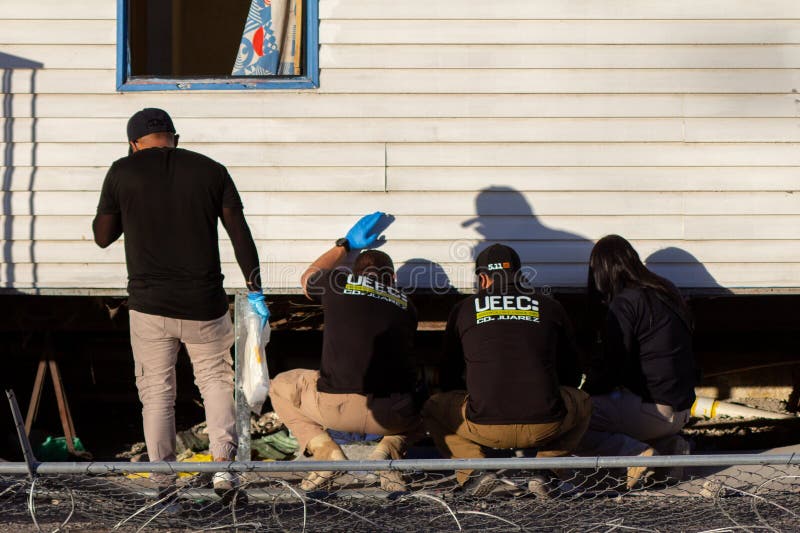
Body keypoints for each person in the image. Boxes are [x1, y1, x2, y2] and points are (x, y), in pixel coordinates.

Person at [92, 108, 269, 498]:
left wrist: (129, 204)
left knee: (157, 394)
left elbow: (102, 236)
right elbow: (239, 231)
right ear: (175, 137)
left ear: (133, 143)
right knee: (217, 384)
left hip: (149, 305)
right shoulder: (211, 170)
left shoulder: (122, 171)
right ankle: (225, 473)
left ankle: (164, 485)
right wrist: (256, 288)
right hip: (204, 303)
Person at [269, 212, 422, 492]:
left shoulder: (337, 283)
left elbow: (307, 278)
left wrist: (346, 246)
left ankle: (326, 451)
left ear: (353, 273)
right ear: (393, 278)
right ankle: (388, 450)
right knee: (427, 409)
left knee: (280, 386)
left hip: (334, 409)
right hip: (389, 416)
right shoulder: (408, 306)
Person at [422, 244, 591, 496]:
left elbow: (448, 372)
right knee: (584, 401)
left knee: (433, 407)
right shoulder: (550, 306)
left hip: (483, 425)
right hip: (545, 424)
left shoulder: (464, 308)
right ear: (519, 274)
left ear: (482, 278)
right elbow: (573, 372)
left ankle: (474, 472)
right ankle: (547, 471)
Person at [579, 234, 696, 487]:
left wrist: (582, 393)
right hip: (682, 411)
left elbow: (612, 365)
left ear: (603, 271)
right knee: (615, 405)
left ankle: (634, 455)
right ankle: (669, 447)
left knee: (573, 419)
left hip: (651, 411)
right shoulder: (668, 291)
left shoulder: (625, 302)